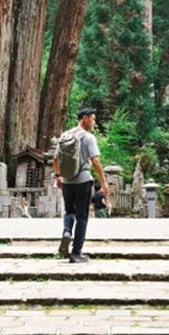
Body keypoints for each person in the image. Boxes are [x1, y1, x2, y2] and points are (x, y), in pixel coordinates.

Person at [55, 107, 109, 263]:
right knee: (82, 217)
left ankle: (66, 232)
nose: (94, 122)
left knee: (69, 211)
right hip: (83, 180)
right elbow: (96, 161)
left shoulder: (65, 135)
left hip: (67, 181)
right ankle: (76, 253)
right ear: (84, 118)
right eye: (92, 119)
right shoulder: (88, 137)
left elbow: (55, 158)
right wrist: (104, 182)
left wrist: (58, 177)